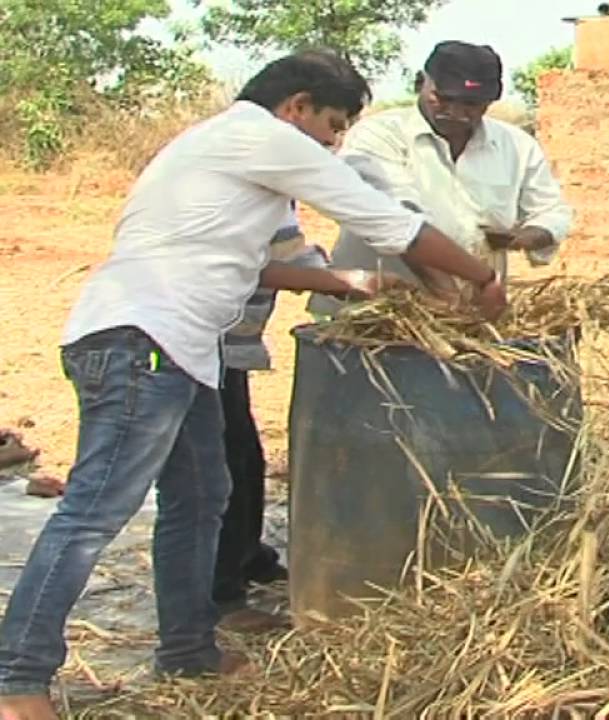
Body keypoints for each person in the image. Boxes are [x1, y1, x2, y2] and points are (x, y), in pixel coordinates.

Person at [0, 50, 505, 720]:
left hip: (177, 347)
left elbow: (267, 264)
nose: (332, 142)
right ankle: (17, 676)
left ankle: (186, 649)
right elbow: (387, 220)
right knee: (92, 513)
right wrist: (481, 277)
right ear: (295, 106)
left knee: (203, 494)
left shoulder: (228, 155)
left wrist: (355, 283)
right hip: (141, 342)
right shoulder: (259, 136)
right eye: (329, 125)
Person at [309, 40, 572, 317]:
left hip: (472, 314)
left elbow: (552, 212)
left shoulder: (517, 146)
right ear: (420, 83)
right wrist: (452, 297)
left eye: (472, 104)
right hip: (371, 314)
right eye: (444, 98)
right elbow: (397, 221)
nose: (457, 113)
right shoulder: (378, 135)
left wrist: (524, 238)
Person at [213, 205, 326, 632]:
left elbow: (289, 252)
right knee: (220, 470)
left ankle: (247, 558)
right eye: (333, 131)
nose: (335, 138)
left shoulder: (272, 188)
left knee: (246, 458)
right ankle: (220, 594)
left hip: (228, 345)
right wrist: (348, 283)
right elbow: (274, 266)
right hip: (200, 342)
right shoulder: (258, 170)